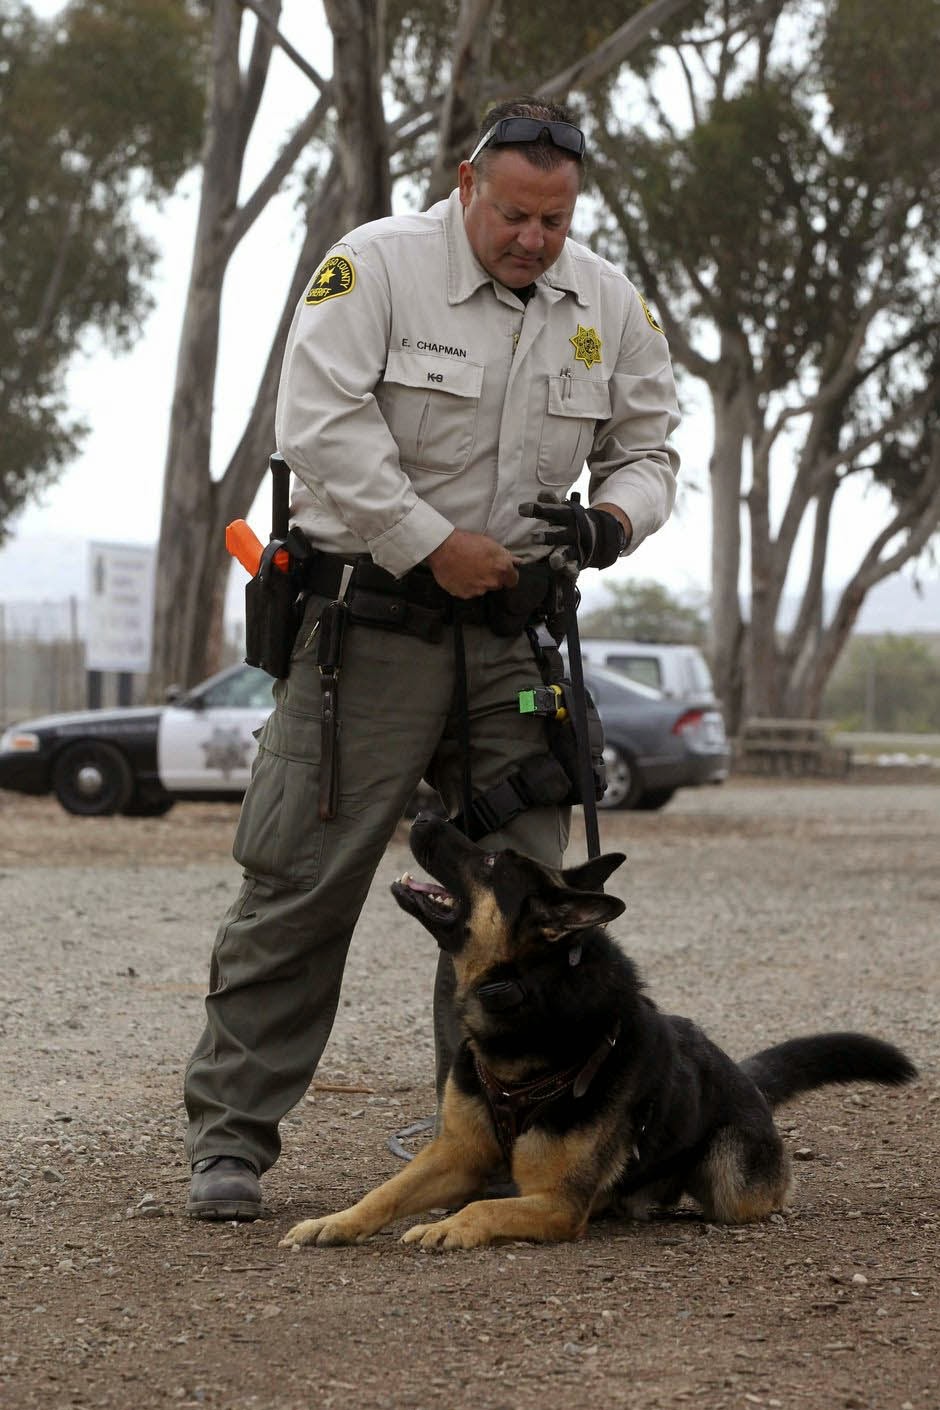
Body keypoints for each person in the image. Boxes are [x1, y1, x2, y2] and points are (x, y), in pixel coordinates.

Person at [183, 97, 680, 1220]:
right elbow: (317, 422)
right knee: (301, 886)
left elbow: (649, 446)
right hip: (371, 631)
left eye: (554, 220)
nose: (533, 240)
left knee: (523, 906)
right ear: (468, 186)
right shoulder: (377, 269)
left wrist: (614, 521)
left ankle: (490, 1140)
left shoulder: (605, 302)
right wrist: (427, 542)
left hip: (514, 645)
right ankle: (230, 1138)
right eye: (514, 214)